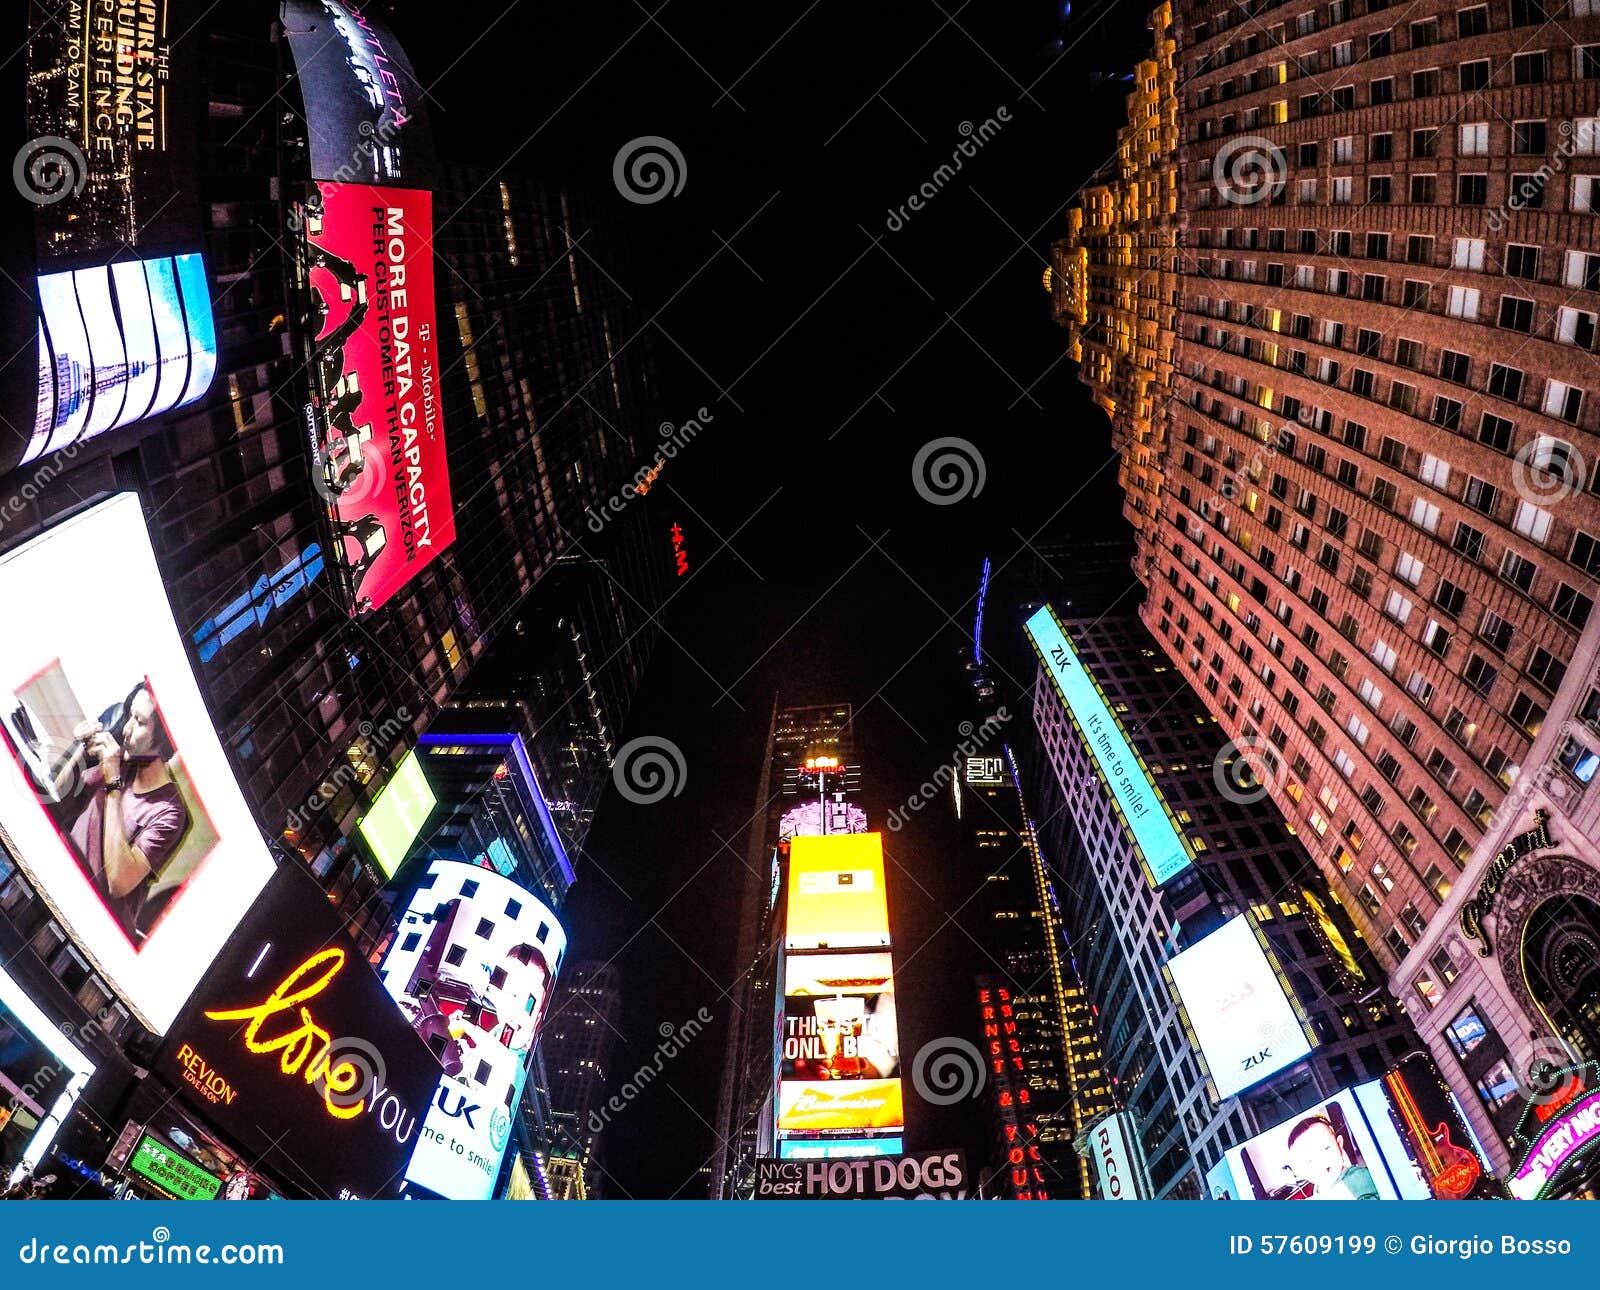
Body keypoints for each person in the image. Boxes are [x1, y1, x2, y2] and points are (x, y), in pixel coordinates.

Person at [62, 682, 188, 943]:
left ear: (164, 738)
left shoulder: (169, 812)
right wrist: (76, 749)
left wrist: (113, 784)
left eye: (140, 722)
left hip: (91, 926)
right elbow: (55, 803)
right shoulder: (120, 760)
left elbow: (118, 882)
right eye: (130, 716)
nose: (127, 728)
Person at [1283, 1114, 1379, 1200]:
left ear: (1339, 1144)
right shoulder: (1319, 1186)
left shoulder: (1359, 1178)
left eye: (1325, 1148)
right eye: (1308, 1160)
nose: (1319, 1162)